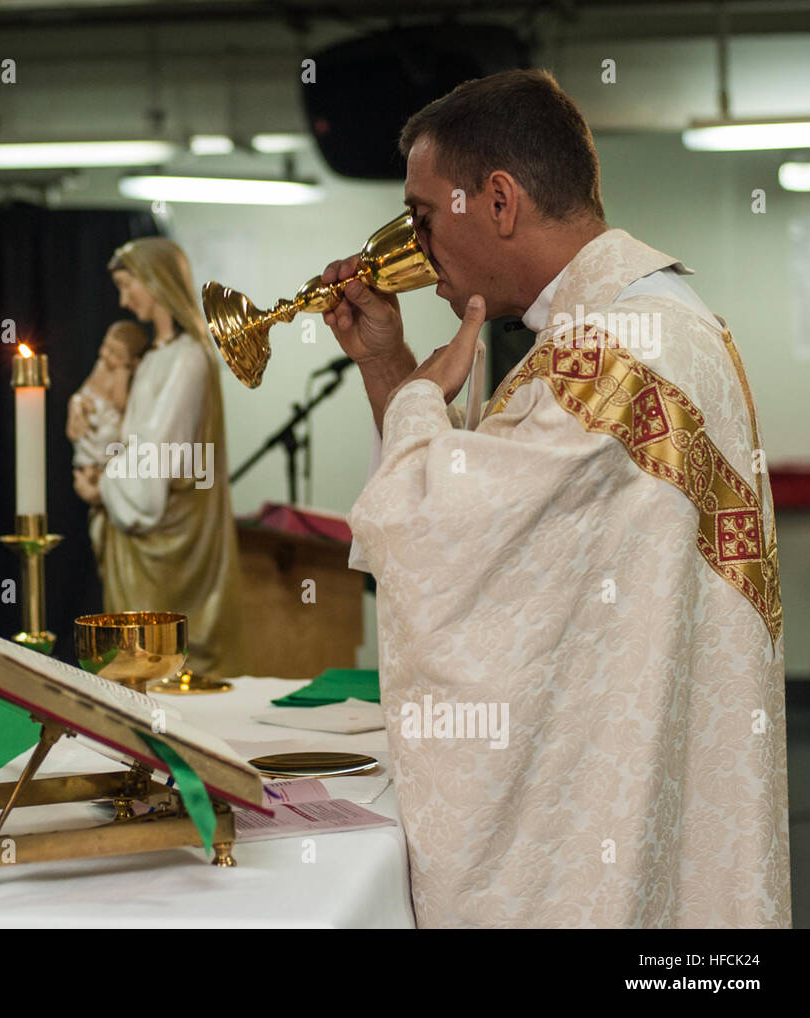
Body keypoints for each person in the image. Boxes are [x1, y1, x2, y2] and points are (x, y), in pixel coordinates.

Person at [327, 69, 789, 927]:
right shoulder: (649, 322)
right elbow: (500, 530)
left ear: (498, 202)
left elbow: (440, 544)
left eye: (425, 220)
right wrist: (386, 362)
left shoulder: (609, 358)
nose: (419, 251)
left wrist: (421, 394)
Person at [68, 237, 244, 678]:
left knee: (154, 664)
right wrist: (91, 427)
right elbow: (131, 437)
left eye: (129, 286)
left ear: (156, 282)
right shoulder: (154, 358)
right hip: (133, 522)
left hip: (163, 532)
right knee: (131, 665)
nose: (124, 300)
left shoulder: (190, 359)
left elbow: (161, 453)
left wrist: (102, 485)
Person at [69, 319, 148, 490]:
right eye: (107, 348)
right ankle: (87, 467)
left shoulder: (123, 374)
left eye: (117, 355)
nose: (107, 356)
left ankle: (99, 470)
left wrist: (122, 376)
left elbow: (121, 405)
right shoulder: (100, 366)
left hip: (109, 417)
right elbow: (87, 388)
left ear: (131, 361)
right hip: (93, 412)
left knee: (108, 434)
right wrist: (82, 402)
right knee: (82, 434)